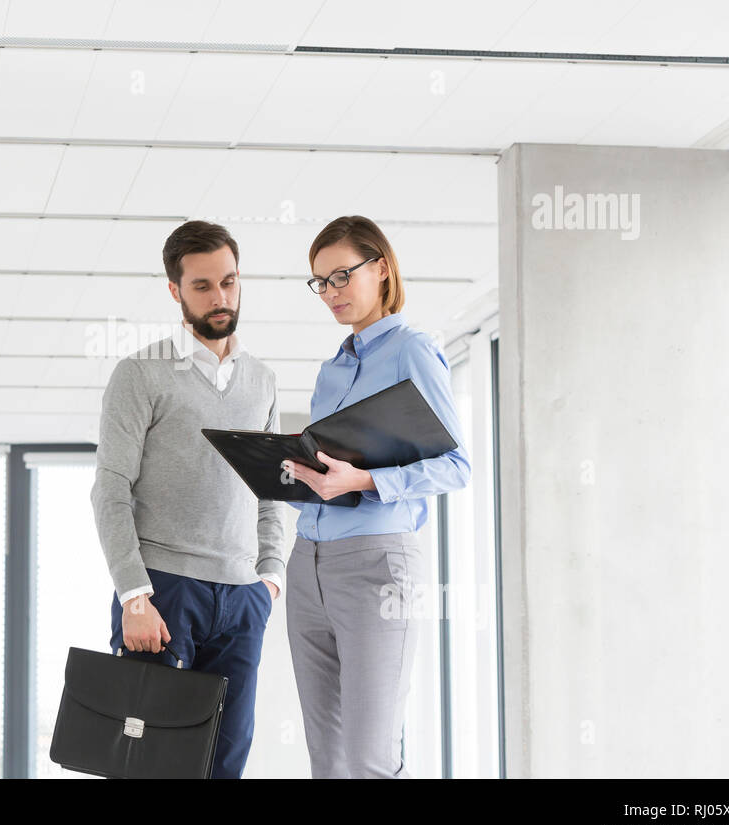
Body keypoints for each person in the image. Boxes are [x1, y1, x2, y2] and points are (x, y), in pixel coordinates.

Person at [90, 220, 287, 779]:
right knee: (150, 764)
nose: (220, 297)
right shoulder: (140, 374)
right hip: (164, 594)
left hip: (243, 597)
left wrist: (271, 579)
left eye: (229, 281)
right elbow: (110, 488)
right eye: (202, 285)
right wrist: (134, 595)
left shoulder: (262, 381)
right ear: (175, 290)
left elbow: (272, 490)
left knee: (226, 762)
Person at [281, 214, 470, 778]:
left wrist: (365, 482)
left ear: (381, 268)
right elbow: (332, 472)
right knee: (328, 759)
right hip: (307, 565)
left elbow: (456, 467)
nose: (331, 292)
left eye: (342, 275)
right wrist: (294, 477)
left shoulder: (412, 351)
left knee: (369, 757)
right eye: (321, 282)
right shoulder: (331, 371)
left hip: (376, 564)